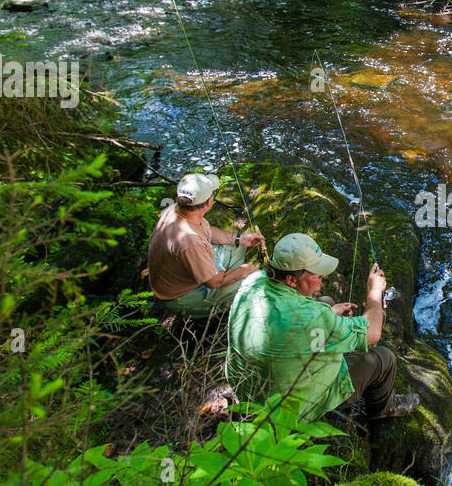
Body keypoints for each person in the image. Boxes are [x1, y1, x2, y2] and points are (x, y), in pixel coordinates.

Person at [226, 232, 418, 423]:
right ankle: (383, 408)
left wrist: (328, 313)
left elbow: (295, 323)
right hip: (289, 410)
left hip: (249, 391)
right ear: (292, 280)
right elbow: (373, 333)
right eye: (315, 271)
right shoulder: (314, 318)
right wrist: (374, 293)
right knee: (383, 359)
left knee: (326, 302)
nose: (323, 275)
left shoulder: (253, 281)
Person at [147, 173, 265, 316]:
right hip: (183, 295)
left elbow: (208, 231)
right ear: (209, 203)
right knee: (252, 282)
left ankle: (230, 274)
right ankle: (215, 307)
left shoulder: (176, 210)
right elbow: (213, 282)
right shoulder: (189, 241)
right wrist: (244, 271)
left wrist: (240, 238)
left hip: (186, 271)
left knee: (238, 245)